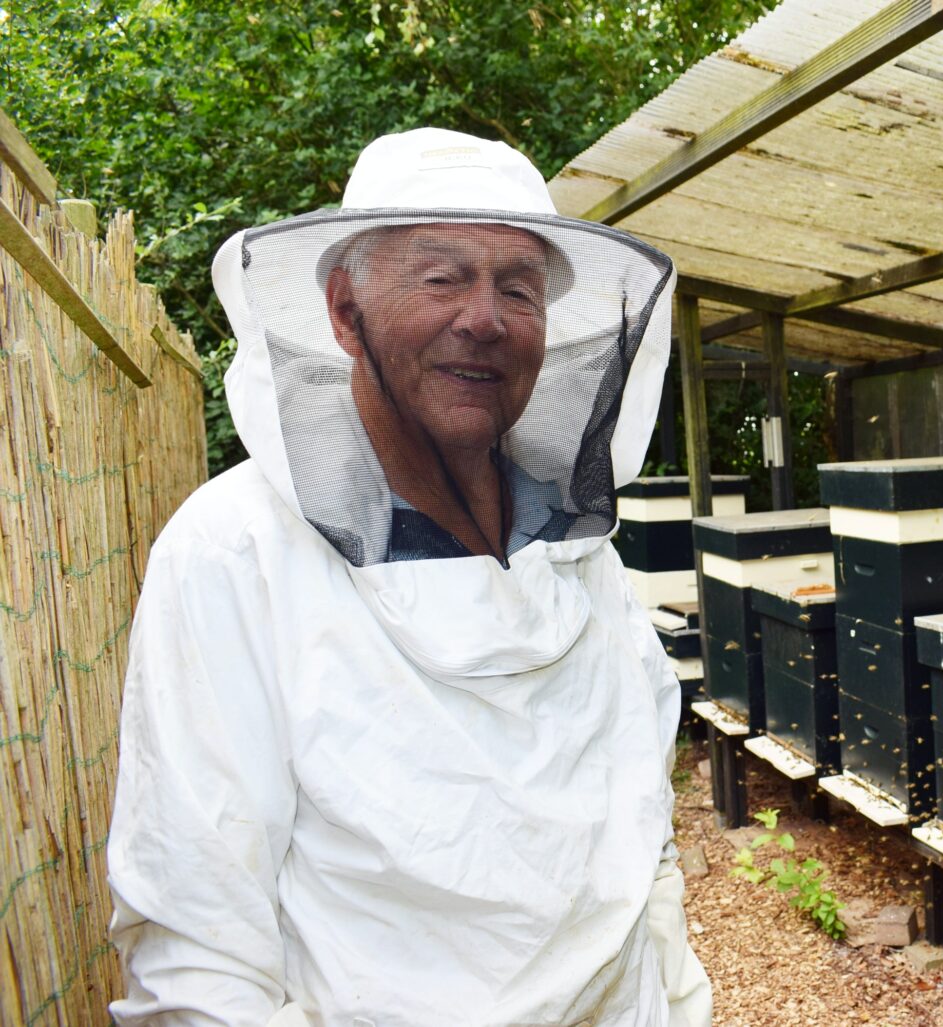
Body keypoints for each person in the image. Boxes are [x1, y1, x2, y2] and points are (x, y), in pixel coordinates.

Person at [106, 128, 710, 1026]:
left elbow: (642, 838)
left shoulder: (580, 556)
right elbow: (197, 947)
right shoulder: (232, 554)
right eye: (441, 276)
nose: (485, 319)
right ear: (344, 311)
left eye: (519, 287)